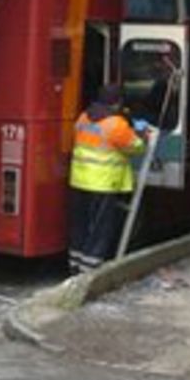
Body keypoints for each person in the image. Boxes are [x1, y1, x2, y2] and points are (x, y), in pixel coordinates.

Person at [68, 82, 147, 275]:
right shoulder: (116, 125)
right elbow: (136, 147)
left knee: (81, 225)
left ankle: (74, 265)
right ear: (117, 103)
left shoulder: (83, 117)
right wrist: (143, 136)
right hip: (103, 183)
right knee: (100, 229)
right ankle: (90, 270)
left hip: (79, 181)